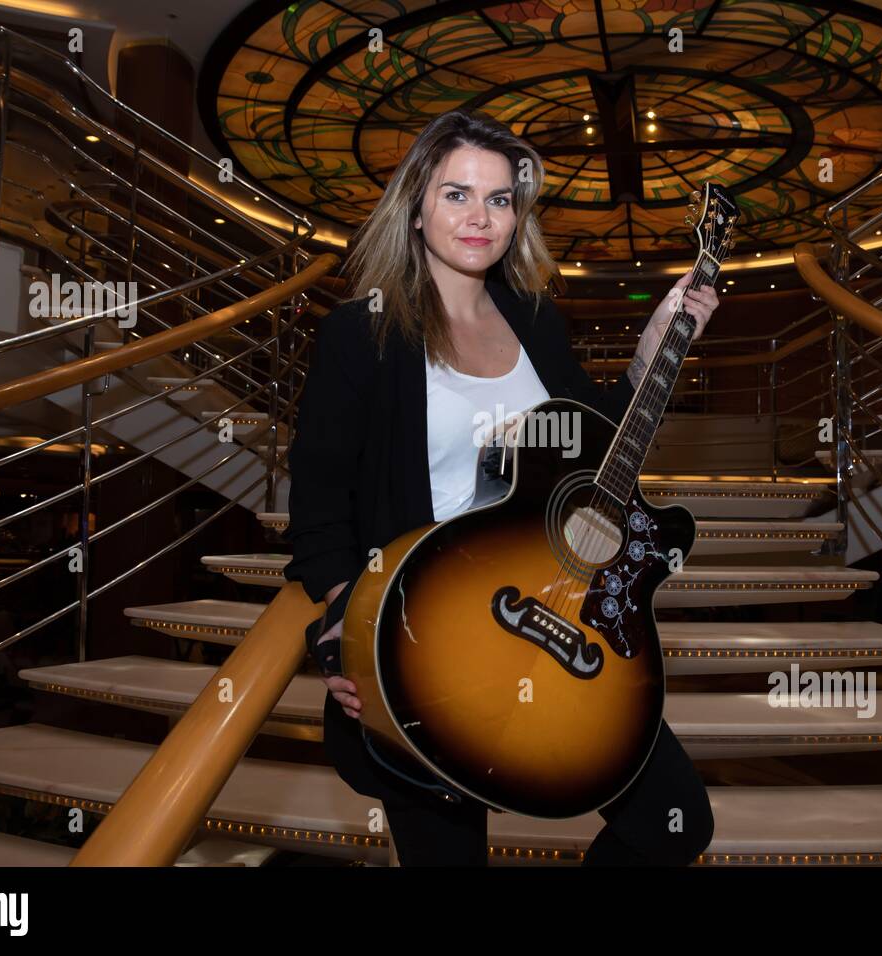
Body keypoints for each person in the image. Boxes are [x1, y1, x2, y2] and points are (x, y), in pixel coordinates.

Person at [284, 107, 719, 866]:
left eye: (499, 198)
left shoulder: (536, 320)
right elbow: (320, 504)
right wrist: (341, 622)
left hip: (556, 609)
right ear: (415, 208)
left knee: (676, 820)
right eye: (456, 195)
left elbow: (592, 448)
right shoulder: (362, 334)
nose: (479, 217)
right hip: (429, 635)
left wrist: (654, 346)